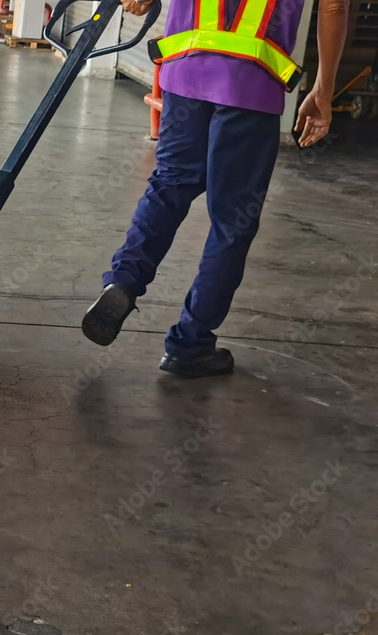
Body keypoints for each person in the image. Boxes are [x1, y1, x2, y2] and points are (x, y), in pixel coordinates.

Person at [80, 0, 349, 378]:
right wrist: (323, 90)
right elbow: (334, 8)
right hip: (251, 86)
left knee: (169, 185)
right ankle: (190, 344)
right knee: (231, 222)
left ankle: (124, 281)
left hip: (187, 69)